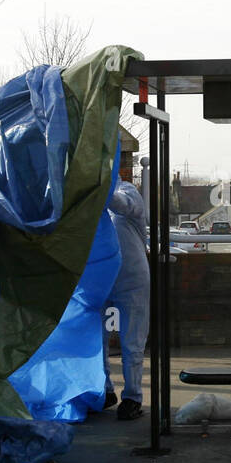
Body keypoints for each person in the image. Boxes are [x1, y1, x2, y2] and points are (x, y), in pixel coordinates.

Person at [102, 180, 150, 421]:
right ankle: (104, 390)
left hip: (131, 278)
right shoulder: (94, 206)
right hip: (102, 278)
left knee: (132, 340)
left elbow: (122, 204)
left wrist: (99, 185)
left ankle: (132, 397)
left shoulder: (127, 190)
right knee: (96, 341)